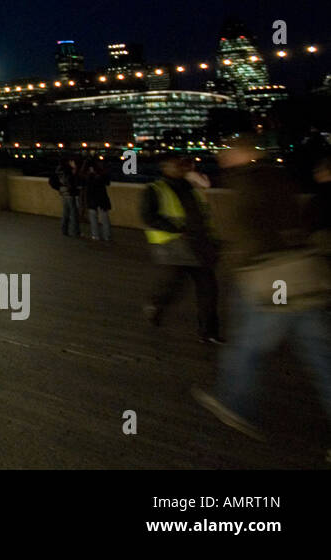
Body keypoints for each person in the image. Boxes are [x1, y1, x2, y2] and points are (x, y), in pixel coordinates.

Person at [192, 135, 331, 449]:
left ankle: (235, 404)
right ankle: (233, 402)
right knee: (321, 356)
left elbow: (242, 232)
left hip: (269, 278)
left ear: (240, 155)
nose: (222, 158)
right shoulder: (279, 177)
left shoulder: (245, 183)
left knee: (247, 349)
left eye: (226, 154)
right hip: (302, 275)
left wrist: (231, 267)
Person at [141, 154, 221, 343]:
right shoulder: (154, 189)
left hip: (198, 245)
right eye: (177, 164)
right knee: (173, 286)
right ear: (165, 167)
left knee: (209, 289)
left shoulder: (193, 188)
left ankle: (208, 332)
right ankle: (156, 306)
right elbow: (148, 217)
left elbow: (203, 216)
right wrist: (176, 228)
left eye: (184, 164)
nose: (182, 167)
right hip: (173, 248)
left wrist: (212, 240)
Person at [83, 158, 113, 242]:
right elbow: (107, 182)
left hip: (92, 198)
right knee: (104, 218)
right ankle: (107, 236)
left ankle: (95, 235)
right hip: (101, 198)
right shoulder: (101, 173)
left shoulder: (86, 175)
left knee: (93, 218)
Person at [55, 157, 81, 238]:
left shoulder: (59, 169)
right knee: (73, 212)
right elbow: (72, 179)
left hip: (63, 192)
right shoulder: (67, 170)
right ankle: (75, 232)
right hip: (69, 192)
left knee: (65, 212)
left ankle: (64, 230)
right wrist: (74, 168)